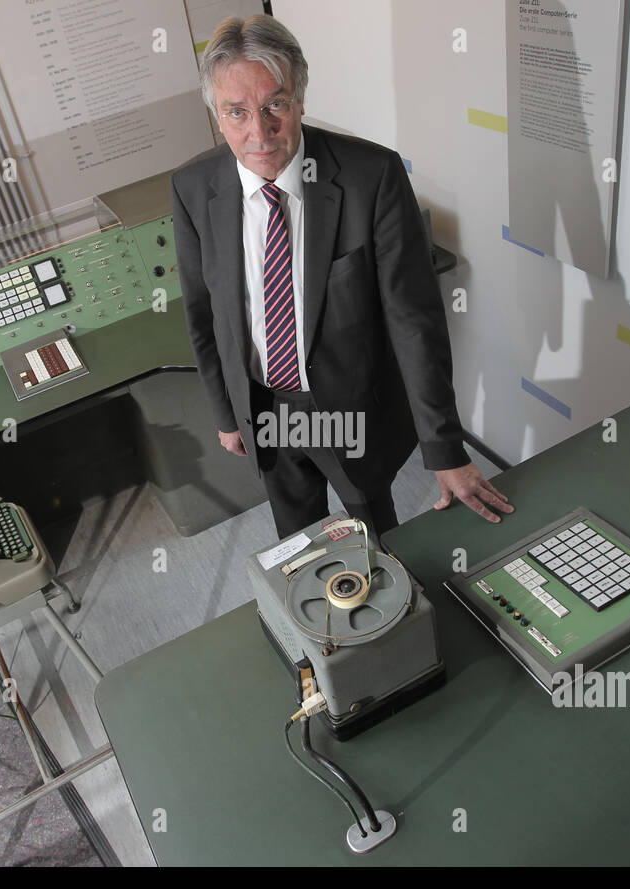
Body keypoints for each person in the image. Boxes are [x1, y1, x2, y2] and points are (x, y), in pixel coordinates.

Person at [171, 14, 511, 538]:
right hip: (264, 403)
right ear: (217, 115)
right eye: (236, 113)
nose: (258, 134)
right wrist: (225, 410)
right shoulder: (193, 189)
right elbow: (202, 310)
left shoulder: (371, 176)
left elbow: (412, 320)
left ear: (300, 99)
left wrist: (443, 447)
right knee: (300, 545)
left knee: (375, 537)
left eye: (275, 106)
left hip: (349, 407)